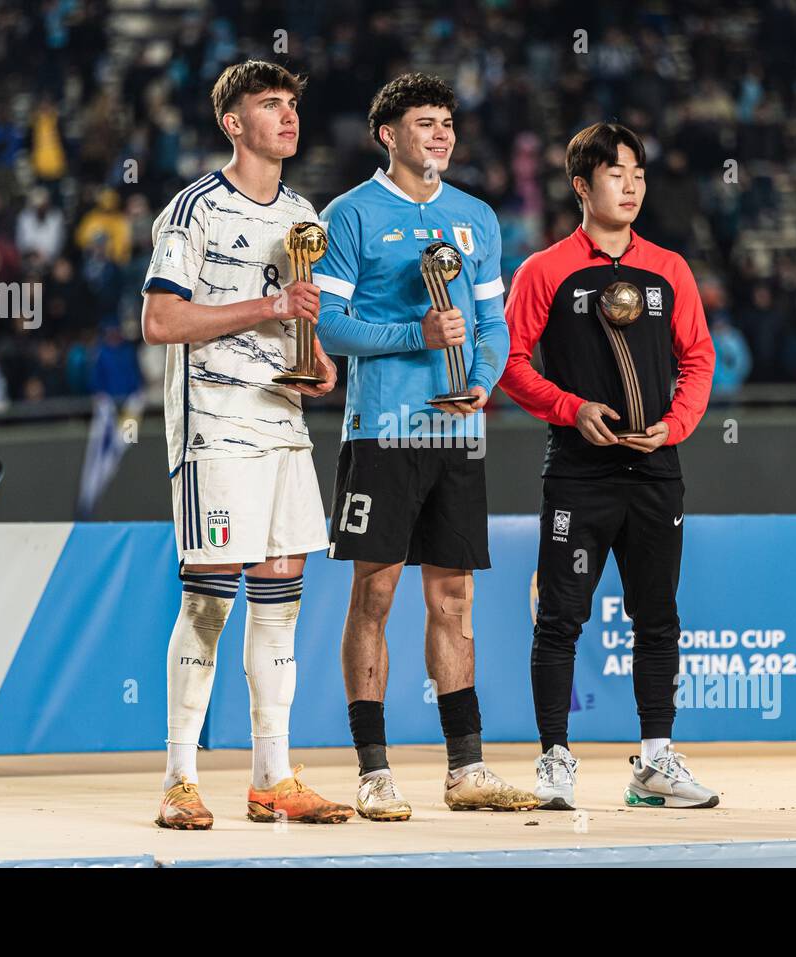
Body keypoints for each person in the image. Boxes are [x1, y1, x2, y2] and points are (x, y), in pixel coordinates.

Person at [313, 72, 538, 819]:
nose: (440, 134)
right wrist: (416, 334)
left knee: (454, 598)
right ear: (389, 134)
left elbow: (494, 323)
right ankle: (374, 770)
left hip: (457, 432)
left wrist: (482, 381)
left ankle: (465, 767)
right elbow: (331, 329)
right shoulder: (351, 215)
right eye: (424, 123)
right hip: (382, 431)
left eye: (446, 122)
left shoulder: (475, 216)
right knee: (374, 594)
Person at [140, 60, 352, 830]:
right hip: (215, 424)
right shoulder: (193, 208)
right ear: (234, 123)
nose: (289, 116)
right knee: (209, 596)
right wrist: (269, 302)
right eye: (271, 104)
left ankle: (273, 775)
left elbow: (294, 320)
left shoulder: (301, 210)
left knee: (282, 592)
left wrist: (317, 359)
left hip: (281, 423)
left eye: (293, 102)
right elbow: (160, 322)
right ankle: (179, 779)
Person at [499, 123, 718, 811]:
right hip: (579, 472)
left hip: (656, 470)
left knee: (658, 618)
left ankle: (654, 762)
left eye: (639, 174)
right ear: (580, 185)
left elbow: (699, 358)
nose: (631, 185)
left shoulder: (670, 269)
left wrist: (676, 425)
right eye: (616, 173)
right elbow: (508, 363)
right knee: (560, 618)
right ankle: (555, 758)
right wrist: (569, 407)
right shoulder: (544, 270)